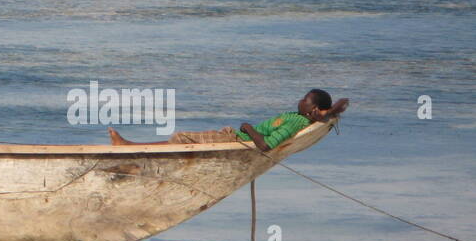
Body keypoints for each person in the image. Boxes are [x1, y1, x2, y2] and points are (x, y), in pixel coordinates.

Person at [108, 90, 348, 152]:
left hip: (236, 138)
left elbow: (265, 146)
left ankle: (130, 147)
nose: (300, 101)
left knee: (180, 138)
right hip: (235, 135)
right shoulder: (300, 117)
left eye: (305, 100)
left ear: (313, 107)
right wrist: (326, 113)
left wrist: (248, 128)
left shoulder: (296, 123)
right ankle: (131, 146)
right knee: (181, 138)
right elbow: (343, 103)